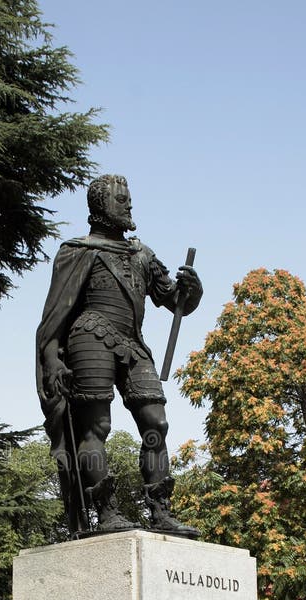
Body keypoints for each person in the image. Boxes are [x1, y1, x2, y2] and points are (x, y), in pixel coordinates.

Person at [36, 173, 202, 536]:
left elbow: (174, 301)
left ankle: (160, 511)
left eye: (128, 199)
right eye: (121, 199)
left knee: (156, 422)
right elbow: (54, 315)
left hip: (133, 343)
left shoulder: (142, 253)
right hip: (90, 336)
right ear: (100, 205)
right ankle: (106, 511)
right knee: (97, 426)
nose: (128, 205)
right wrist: (52, 360)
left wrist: (193, 291)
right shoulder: (77, 251)